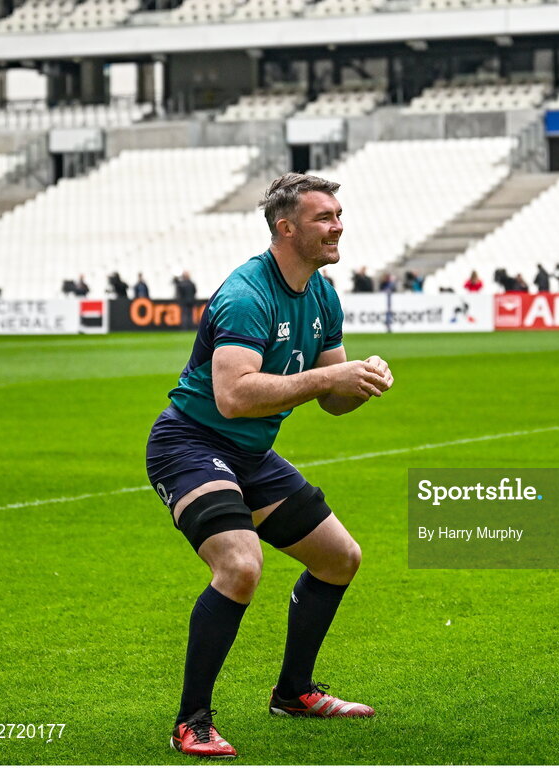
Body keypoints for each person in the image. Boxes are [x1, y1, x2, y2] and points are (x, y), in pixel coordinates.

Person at [146, 173, 393, 758]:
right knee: (240, 564)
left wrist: (360, 380)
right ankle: (192, 720)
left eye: (338, 214)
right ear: (286, 227)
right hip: (189, 443)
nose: (338, 225)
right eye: (324, 217)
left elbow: (332, 401)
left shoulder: (321, 293)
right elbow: (233, 395)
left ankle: (294, 693)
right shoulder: (246, 294)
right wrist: (329, 375)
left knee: (339, 558)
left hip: (249, 453)